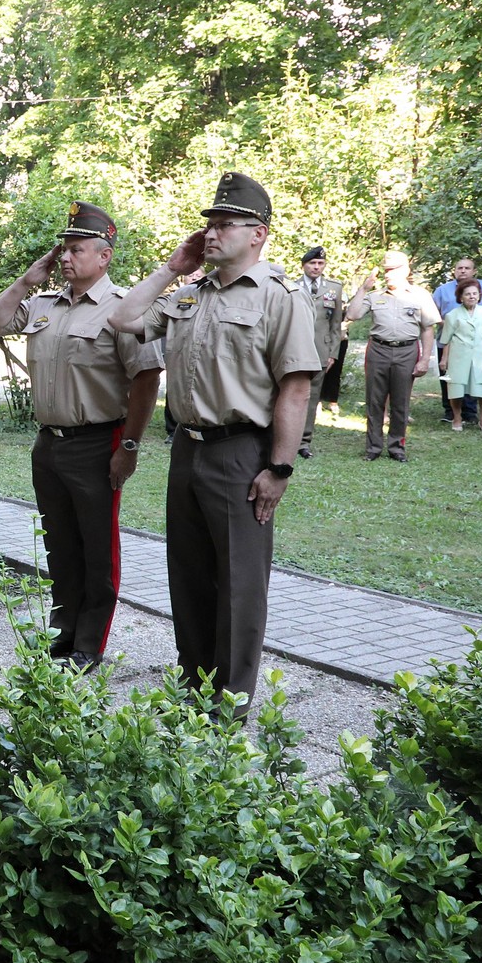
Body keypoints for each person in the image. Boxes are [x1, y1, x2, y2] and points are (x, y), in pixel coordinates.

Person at [108, 171, 318, 712]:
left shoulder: (280, 298)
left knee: (240, 583)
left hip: (242, 452)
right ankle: (194, 684)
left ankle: (232, 700)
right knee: (190, 574)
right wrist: (173, 268)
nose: (213, 234)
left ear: (259, 234)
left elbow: (295, 389)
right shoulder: (186, 296)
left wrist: (279, 469)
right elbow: (122, 318)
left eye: (226, 224)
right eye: (210, 225)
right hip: (188, 448)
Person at [0, 201, 163, 669]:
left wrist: (129, 446)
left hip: (98, 442)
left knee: (97, 548)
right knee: (59, 544)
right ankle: (63, 633)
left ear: (104, 256)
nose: (65, 258)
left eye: (76, 249)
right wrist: (26, 281)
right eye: (63, 250)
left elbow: (146, 380)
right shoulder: (44, 303)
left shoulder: (122, 309)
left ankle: (90, 642)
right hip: (50, 444)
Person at [345, 250, 440, 461]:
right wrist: (363, 288)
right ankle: (373, 448)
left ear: (405, 270)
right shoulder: (375, 295)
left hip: (407, 351)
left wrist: (424, 359)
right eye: (386, 270)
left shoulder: (420, 295)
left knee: (401, 402)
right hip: (378, 350)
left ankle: (397, 447)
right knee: (374, 401)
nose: (388, 274)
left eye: (393, 270)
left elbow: (427, 329)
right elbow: (352, 315)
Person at [432, 258, 482, 424]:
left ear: (474, 271)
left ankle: (471, 413)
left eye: (467, 268)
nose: (463, 271)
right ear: (454, 270)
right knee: (452, 380)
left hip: (478, 346)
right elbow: (433, 313)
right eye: (459, 268)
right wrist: (446, 324)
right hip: (450, 341)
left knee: (477, 378)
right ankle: (451, 413)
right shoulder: (442, 290)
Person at [295, 246, 344, 458]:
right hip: (294, 347)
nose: (316, 267)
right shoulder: (290, 286)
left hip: (320, 349)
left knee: (313, 396)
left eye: (320, 264)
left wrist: (333, 352)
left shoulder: (334, 288)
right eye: (312, 263)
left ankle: (303, 442)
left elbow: (336, 324)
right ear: (304, 265)